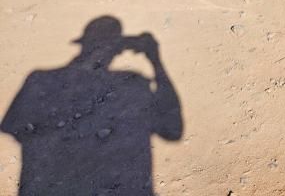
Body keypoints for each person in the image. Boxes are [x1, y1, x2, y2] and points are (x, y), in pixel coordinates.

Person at [1, 16, 182, 196]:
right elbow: (172, 130)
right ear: (118, 49)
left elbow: (14, 127)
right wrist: (155, 61)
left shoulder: (41, 81)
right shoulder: (131, 85)